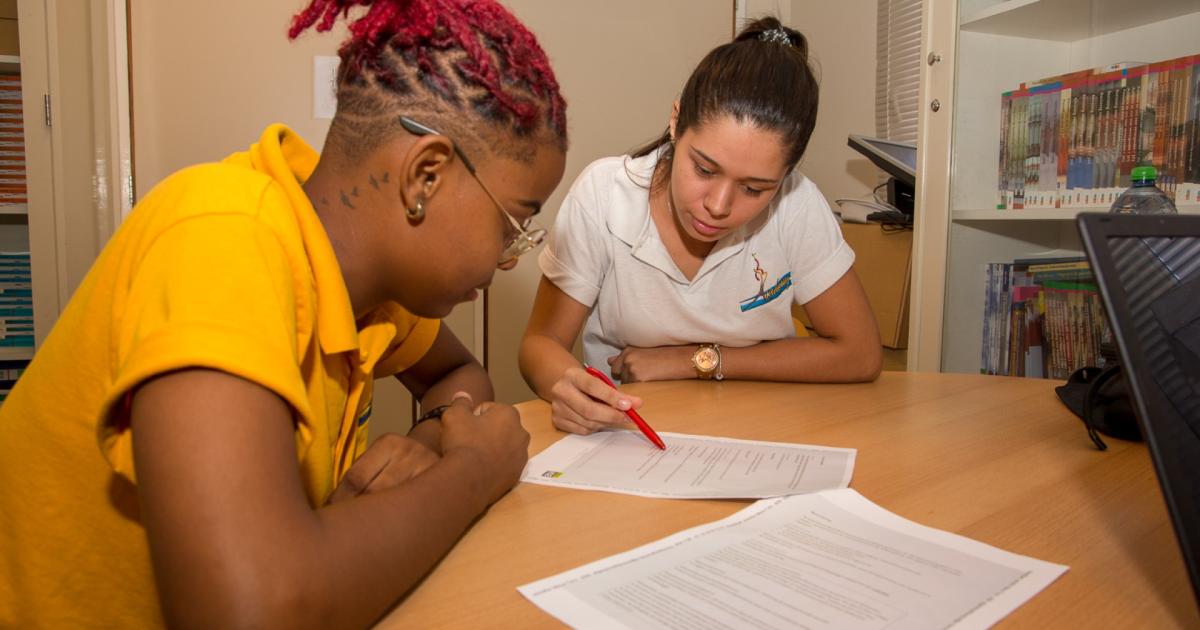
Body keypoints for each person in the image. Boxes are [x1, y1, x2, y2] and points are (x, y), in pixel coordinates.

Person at [0, 1, 566, 627]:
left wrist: (432, 434)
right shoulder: (224, 237)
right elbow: (250, 610)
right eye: (516, 222)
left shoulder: (370, 285)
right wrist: (473, 470)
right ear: (424, 178)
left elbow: (459, 375)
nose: (511, 257)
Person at [519, 17, 881, 436]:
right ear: (676, 121)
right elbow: (538, 345)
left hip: (761, 431)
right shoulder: (604, 195)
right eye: (704, 169)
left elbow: (860, 354)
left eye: (754, 188)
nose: (718, 206)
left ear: (785, 177)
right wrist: (570, 389)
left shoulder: (797, 204)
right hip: (628, 433)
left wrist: (696, 361)